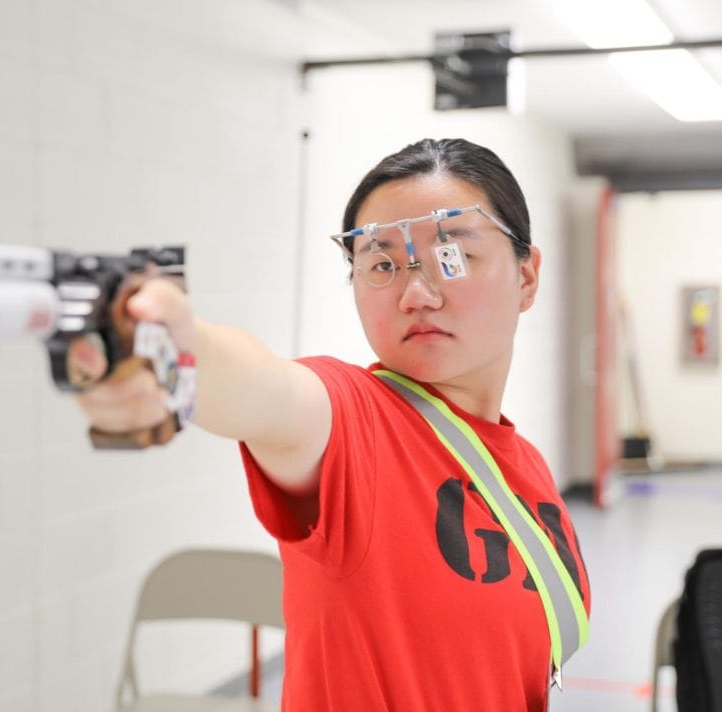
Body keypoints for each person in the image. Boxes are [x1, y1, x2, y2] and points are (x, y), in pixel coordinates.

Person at [73, 138, 591, 711]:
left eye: (454, 257)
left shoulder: (529, 470)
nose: (416, 293)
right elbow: (269, 392)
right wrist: (180, 351)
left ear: (526, 276)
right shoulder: (353, 424)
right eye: (382, 264)